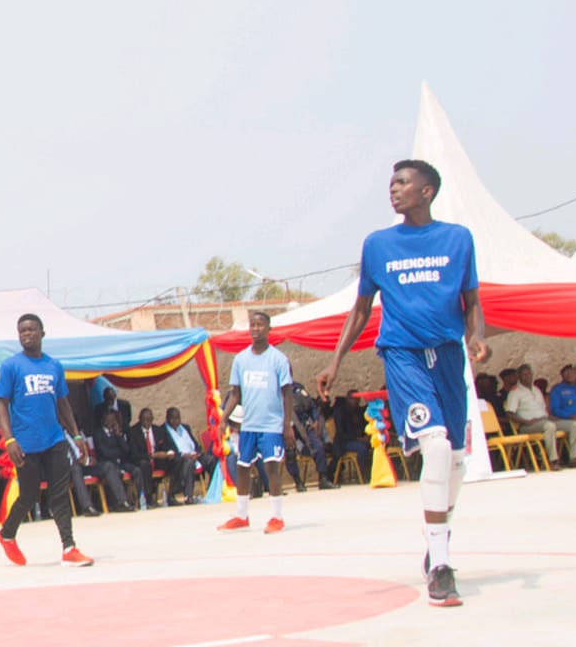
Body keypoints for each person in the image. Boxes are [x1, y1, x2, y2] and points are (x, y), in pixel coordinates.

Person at [315, 160, 487, 608]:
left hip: (447, 356)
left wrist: (477, 337)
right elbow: (360, 310)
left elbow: (471, 302)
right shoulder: (378, 244)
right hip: (402, 356)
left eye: (403, 182)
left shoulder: (458, 239)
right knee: (435, 447)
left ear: (426, 191)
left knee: (455, 461)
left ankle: (437, 535)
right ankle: (442, 567)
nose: (393, 189)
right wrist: (335, 362)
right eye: (391, 182)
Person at [0, 314, 94, 567]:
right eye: (22, 331)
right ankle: (7, 534)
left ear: (42, 333)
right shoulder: (11, 366)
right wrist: (9, 440)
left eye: (31, 329)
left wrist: (76, 435)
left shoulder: (54, 365)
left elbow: (62, 403)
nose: (26, 334)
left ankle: (69, 548)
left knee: (59, 495)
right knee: (29, 496)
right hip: (25, 443)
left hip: (54, 439)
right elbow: (1, 404)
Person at [220, 311, 298, 534]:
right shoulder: (241, 359)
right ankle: (242, 516)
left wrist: (286, 425)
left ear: (268, 329)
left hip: (271, 425)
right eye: (252, 325)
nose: (255, 329)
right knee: (243, 467)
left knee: (271, 467)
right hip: (249, 425)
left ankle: (277, 517)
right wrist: (223, 419)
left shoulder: (278, 359)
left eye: (260, 325)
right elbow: (236, 394)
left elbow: (287, 394)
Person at [501, 368, 576, 467]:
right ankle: (553, 460)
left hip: (544, 420)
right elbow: (510, 413)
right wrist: (526, 421)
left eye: (529, 374)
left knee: (574, 425)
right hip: (528, 425)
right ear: (519, 377)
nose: (527, 376)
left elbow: (543, 409)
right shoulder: (515, 392)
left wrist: (551, 417)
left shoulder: (536, 390)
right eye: (524, 374)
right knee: (549, 426)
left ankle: (575, 458)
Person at [153, 408, 202, 505]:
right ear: (167, 418)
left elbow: (195, 444)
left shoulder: (185, 428)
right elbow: (166, 449)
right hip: (176, 460)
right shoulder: (162, 430)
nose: (176, 421)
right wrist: (184, 455)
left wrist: (198, 453)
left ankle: (215, 491)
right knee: (188, 462)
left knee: (211, 460)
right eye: (173, 418)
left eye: (178, 418)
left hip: (193, 456)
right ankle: (188, 496)